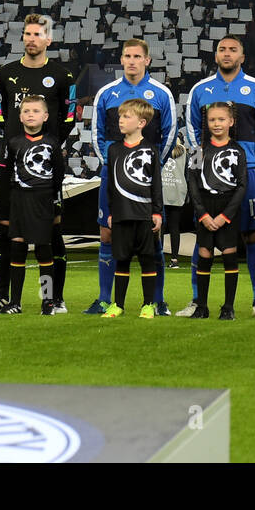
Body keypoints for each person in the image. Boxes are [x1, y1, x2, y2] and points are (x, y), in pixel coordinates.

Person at [0, 14, 76, 314]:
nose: (31, 39)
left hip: (44, 172)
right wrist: (14, 142)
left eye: (37, 34)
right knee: (5, 231)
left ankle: (54, 297)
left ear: (48, 39)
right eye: (27, 34)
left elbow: (70, 117)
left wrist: (47, 146)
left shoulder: (63, 76)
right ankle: (3, 296)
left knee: (51, 236)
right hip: (10, 166)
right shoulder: (5, 73)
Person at [179, 35, 255, 319]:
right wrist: (203, 162)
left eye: (233, 50)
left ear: (242, 57)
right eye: (222, 49)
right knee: (203, 235)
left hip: (246, 173)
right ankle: (198, 301)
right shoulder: (201, 90)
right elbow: (194, 132)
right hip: (208, 179)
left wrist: (249, 161)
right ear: (216, 55)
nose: (227, 53)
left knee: (253, 234)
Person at [89, 38, 176, 315]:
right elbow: (97, 133)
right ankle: (105, 299)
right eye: (127, 55)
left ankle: (157, 301)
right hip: (112, 177)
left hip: (146, 179)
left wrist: (152, 166)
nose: (131, 61)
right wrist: (114, 166)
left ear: (147, 60)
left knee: (152, 235)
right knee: (107, 234)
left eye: (137, 56)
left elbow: (170, 133)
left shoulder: (161, 94)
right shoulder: (107, 93)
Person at [1, 96, 64, 315]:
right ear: (20, 116)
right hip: (19, 200)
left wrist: (54, 202)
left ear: (45, 116)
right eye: (26, 110)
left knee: (43, 251)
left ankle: (47, 301)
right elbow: (7, 173)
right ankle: (15, 302)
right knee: (17, 249)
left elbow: (59, 175)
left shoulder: (52, 143)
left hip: (43, 200)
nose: (30, 114)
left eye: (36, 111)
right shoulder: (14, 143)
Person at [101, 99, 165, 319]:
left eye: (127, 116)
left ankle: (148, 305)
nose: (121, 120)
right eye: (120, 116)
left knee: (147, 259)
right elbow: (110, 185)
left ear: (141, 123)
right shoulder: (114, 149)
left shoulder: (150, 150)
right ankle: (117, 304)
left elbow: (156, 184)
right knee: (122, 259)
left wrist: (157, 213)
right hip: (121, 215)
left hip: (144, 214)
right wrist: (110, 212)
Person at [186, 101, 248, 320]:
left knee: (230, 255)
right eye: (212, 119)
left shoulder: (238, 150)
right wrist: (202, 214)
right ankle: (201, 306)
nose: (217, 124)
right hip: (205, 208)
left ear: (231, 121)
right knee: (204, 254)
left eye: (221, 119)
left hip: (227, 209)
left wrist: (224, 216)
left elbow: (242, 186)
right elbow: (192, 183)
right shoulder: (198, 150)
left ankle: (228, 307)